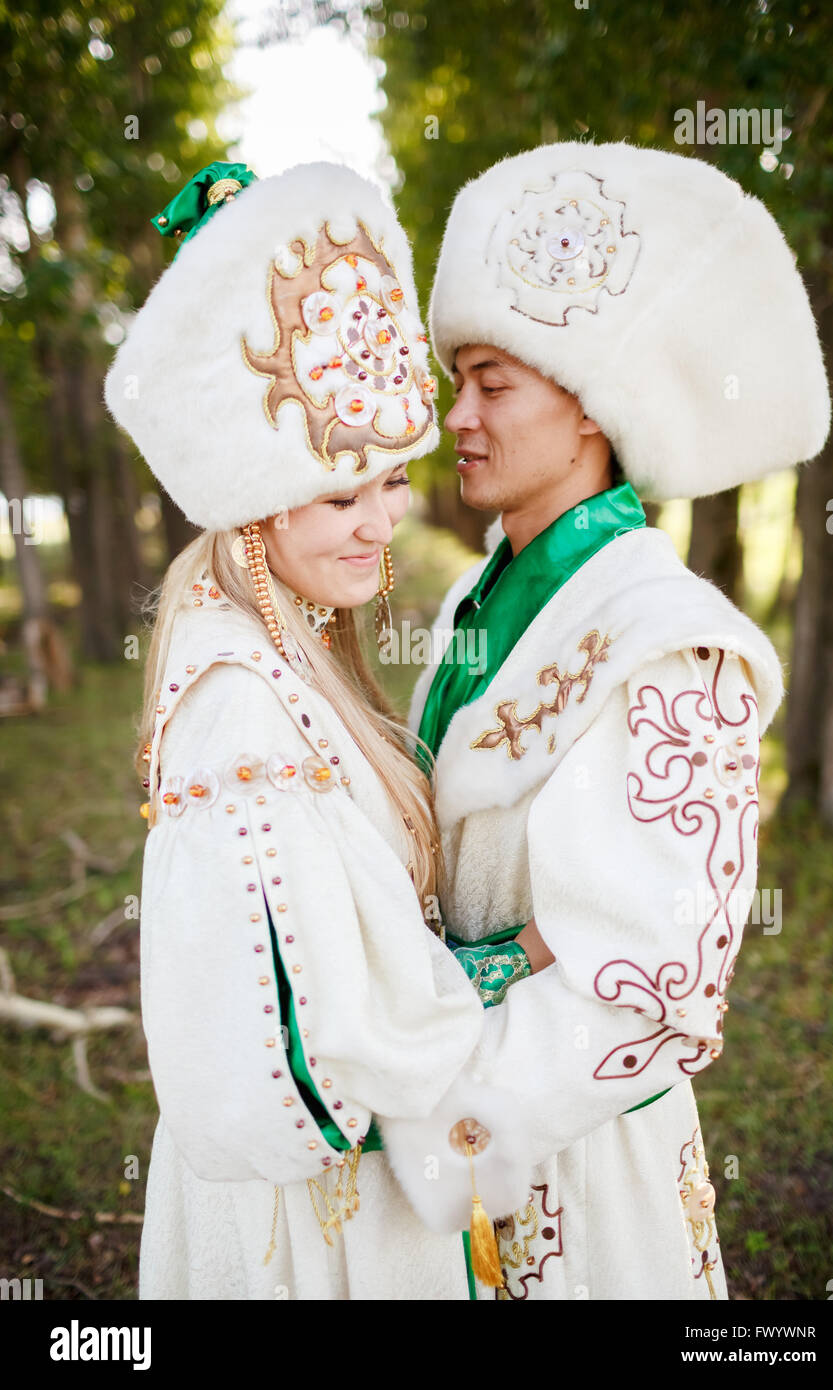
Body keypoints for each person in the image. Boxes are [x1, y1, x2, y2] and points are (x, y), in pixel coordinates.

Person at [376, 140, 832, 1300]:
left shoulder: (668, 636)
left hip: (570, 1160)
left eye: (492, 382)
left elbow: (659, 976)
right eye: (454, 381)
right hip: (453, 1108)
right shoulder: (488, 589)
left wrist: (446, 1122)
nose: (456, 417)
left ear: (590, 408)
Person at [103, 160, 530, 1300]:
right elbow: (307, 1045)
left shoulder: (283, 637)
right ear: (255, 509)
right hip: (311, 1225)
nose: (385, 520)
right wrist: (523, 964)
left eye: (391, 483)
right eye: (346, 498)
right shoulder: (239, 712)